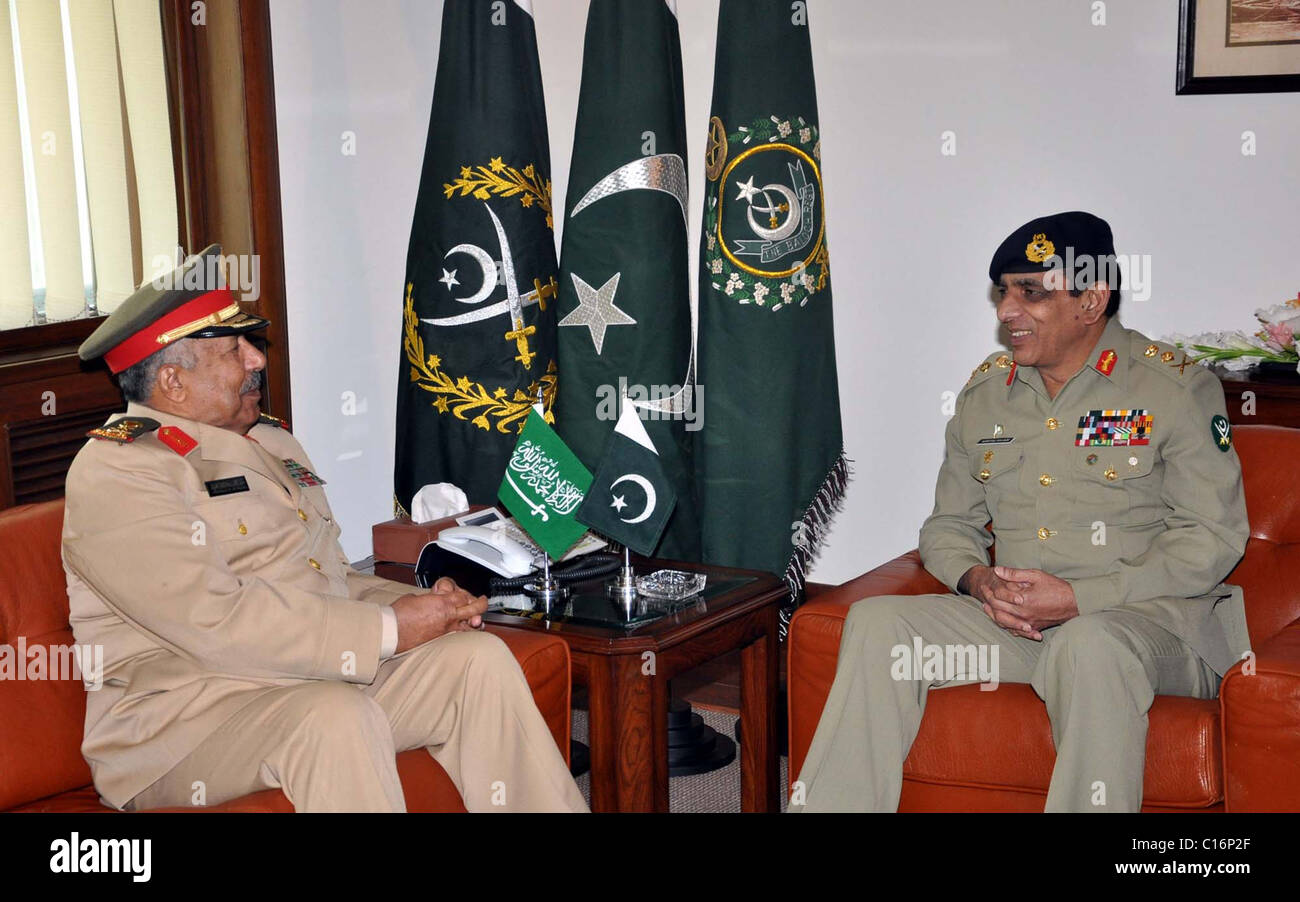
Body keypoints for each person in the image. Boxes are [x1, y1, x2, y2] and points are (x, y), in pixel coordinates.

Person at [63, 245, 587, 813]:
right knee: (335, 719)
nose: (256, 361)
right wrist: (389, 630)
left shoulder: (271, 442)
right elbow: (214, 624)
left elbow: (329, 579)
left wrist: (425, 609)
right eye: (232, 350)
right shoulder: (121, 471)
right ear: (173, 381)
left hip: (306, 680)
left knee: (474, 660)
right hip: (186, 724)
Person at [795, 211, 1250, 812]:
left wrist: (1080, 599)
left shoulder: (1173, 388)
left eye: (1031, 292)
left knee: (1088, 644)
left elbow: (1213, 537)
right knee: (881, 625)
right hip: (1021, 630)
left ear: (1092, 300)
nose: (1008, 310)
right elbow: (949, 526)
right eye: (1004, 292)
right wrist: (977, 580)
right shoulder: (987, 395)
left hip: (1151, 629)